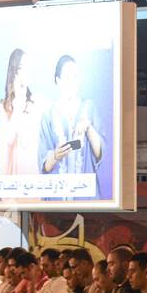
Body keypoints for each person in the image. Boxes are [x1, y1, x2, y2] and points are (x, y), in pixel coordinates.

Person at [38, 55, 105, 191]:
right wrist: (55, 155)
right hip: (56, 196)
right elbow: (44, 165)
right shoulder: (48, 115)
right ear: (58, 80)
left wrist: (88, 127)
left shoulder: (89, 107)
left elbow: (100, 154)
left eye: (75, 77)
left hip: (87, 195)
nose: (72, 82)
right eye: (67, 78)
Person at [0, 48, 38, 176]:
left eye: (27, 66)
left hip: (33, 178)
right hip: (12, 181)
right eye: (20, 67)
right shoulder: (3, 108)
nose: (25, 71)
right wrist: (18, 103)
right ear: (13, 72)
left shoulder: (36, 104)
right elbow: (8, 140)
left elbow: (28, 141)